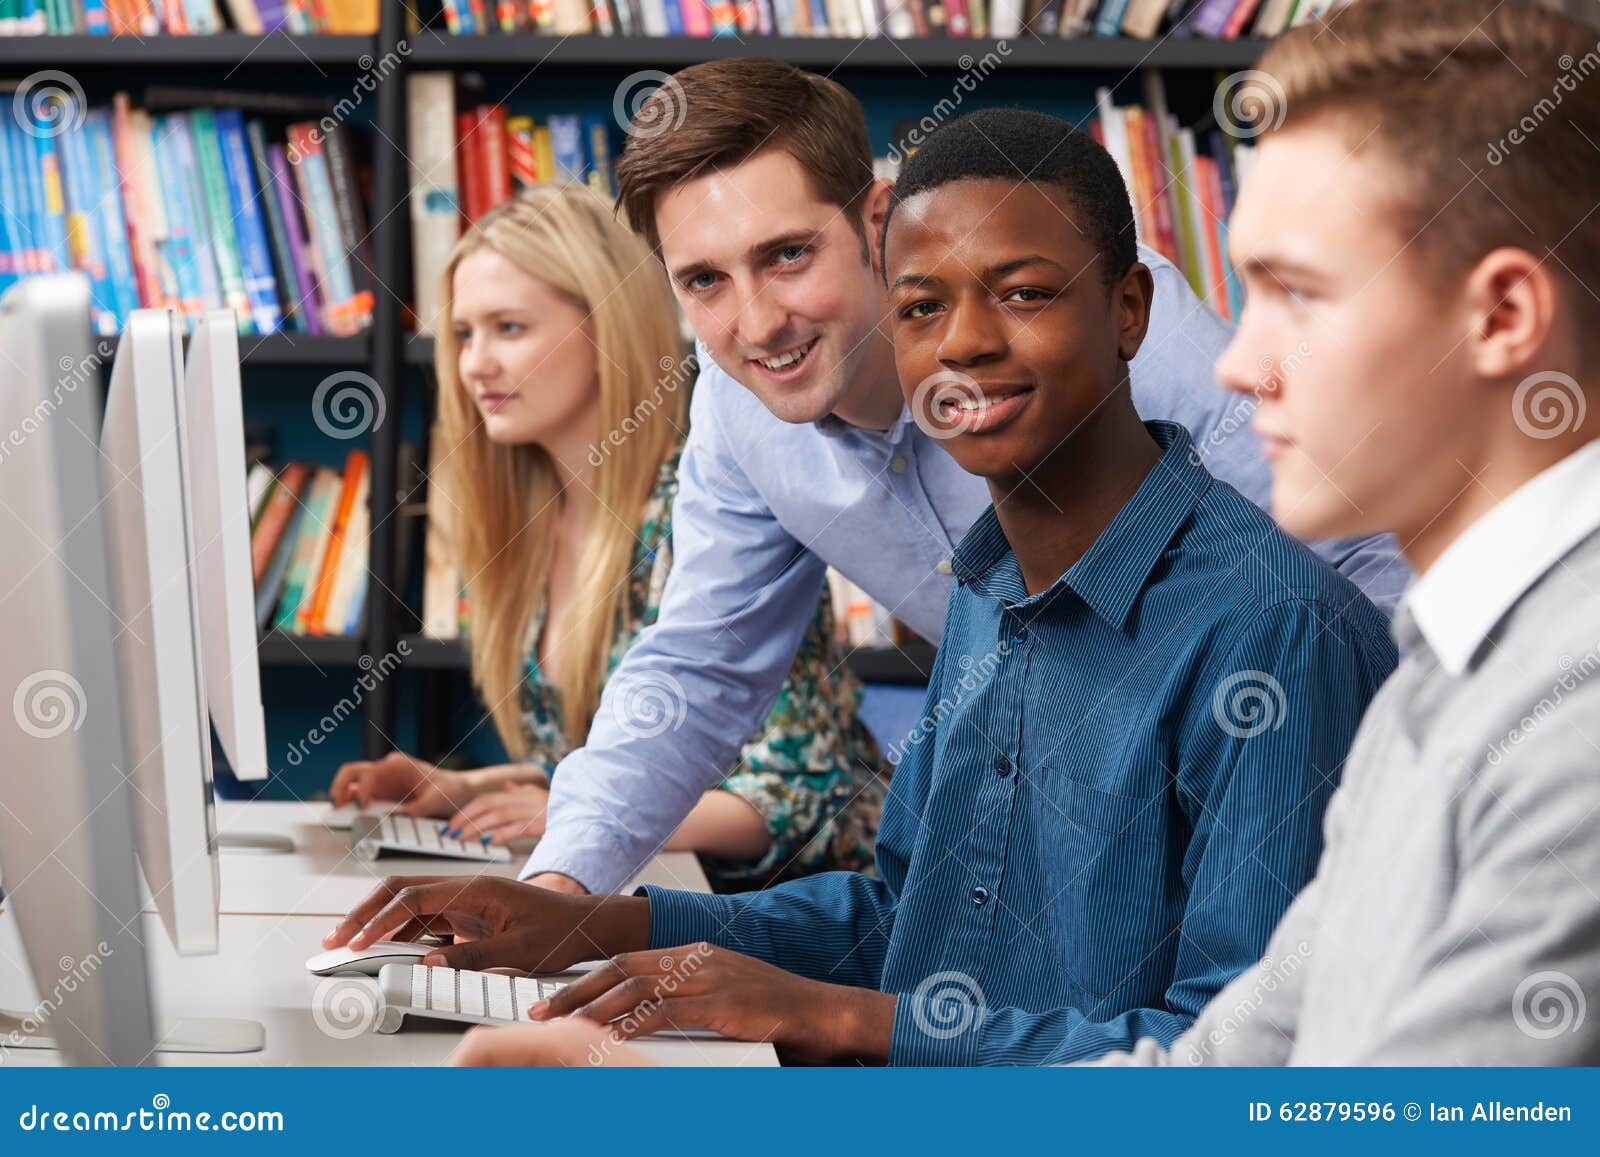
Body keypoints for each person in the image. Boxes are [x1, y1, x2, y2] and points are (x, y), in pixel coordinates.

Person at [329, 109, 1395, 1066]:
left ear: (1129, 313)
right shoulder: (987, 588)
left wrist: (829, 1014)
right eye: (925, 306)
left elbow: (1243, 1069)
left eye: (1022, 294)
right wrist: (588, 916)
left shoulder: (1274, 620)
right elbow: (912, 908)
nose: (966, 341)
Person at [329, 184, 887, 890]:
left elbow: (796, 795)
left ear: (605, 327)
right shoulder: (526, 522)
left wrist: (573, 819)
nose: (475, 364)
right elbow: (627, 751)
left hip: (804, 925)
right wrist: (470, 787)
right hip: (646, 903)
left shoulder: (709, 516)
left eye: (508, 327)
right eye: (465, 333)